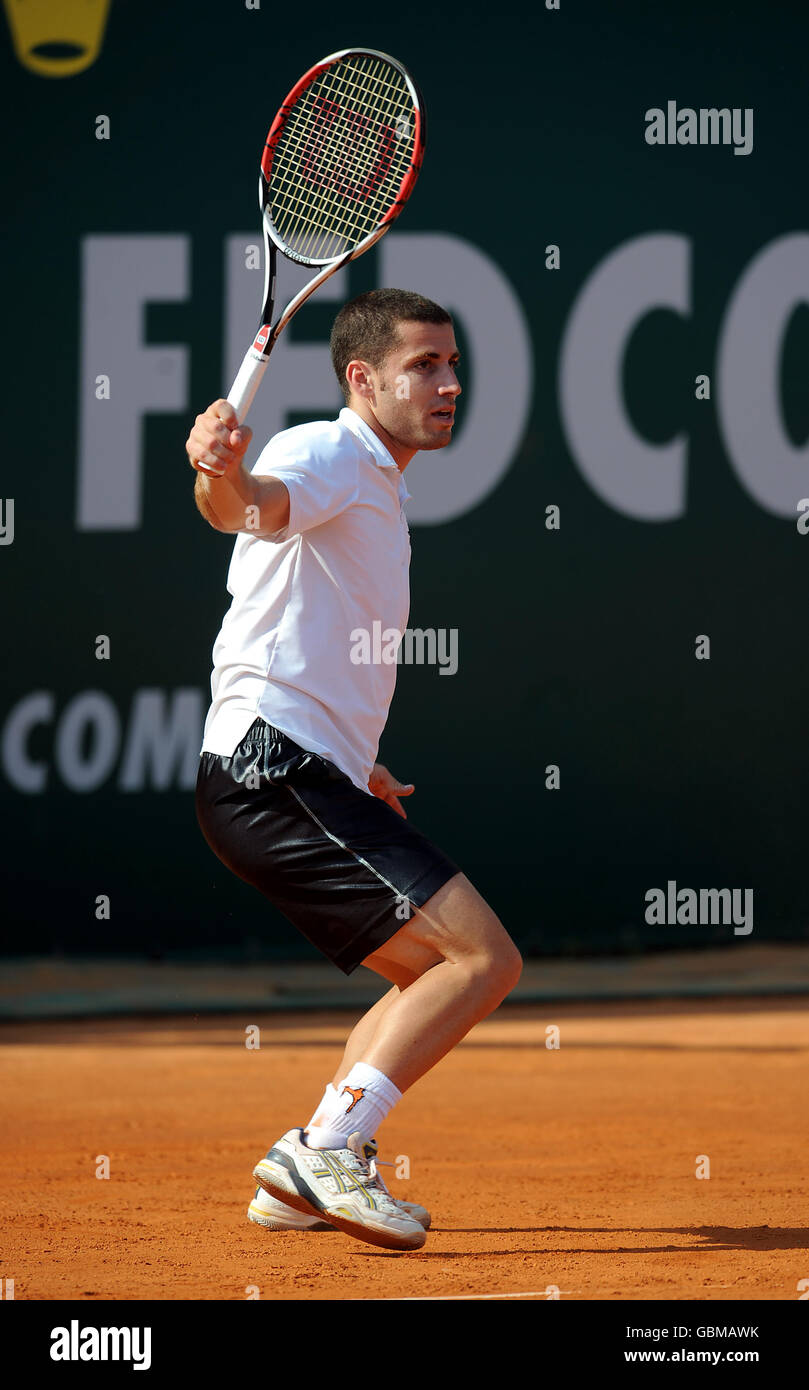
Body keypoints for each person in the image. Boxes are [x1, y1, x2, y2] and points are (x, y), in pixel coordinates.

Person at [187, 288, 522, 1252]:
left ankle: (308, 1173)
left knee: (426, 973)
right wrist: (221, 472)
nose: (449, 383)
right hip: (271, 769)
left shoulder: (377, 482)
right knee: (481, 958)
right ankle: (324, 1152)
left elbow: (297, 614)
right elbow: (246, 508)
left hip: (292, 772)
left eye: (452, 364)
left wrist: (352, 760)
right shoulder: (329, 452)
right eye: (424, 365)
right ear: (361, 380)